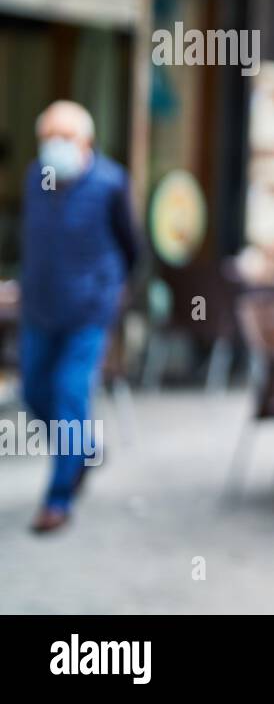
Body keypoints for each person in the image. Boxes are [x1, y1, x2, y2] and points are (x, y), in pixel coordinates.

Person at [20, 100, 138, 533]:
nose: (55, 146)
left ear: (86, 141)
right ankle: (83, 449)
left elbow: (132, 247)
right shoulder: (37, 177)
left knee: (70, 398)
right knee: (35, 393)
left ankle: (58, 500)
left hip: (87, 314)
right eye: (48, 137)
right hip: (39, 308)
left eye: (64, 137)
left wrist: (110, 293)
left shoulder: (111, 182)